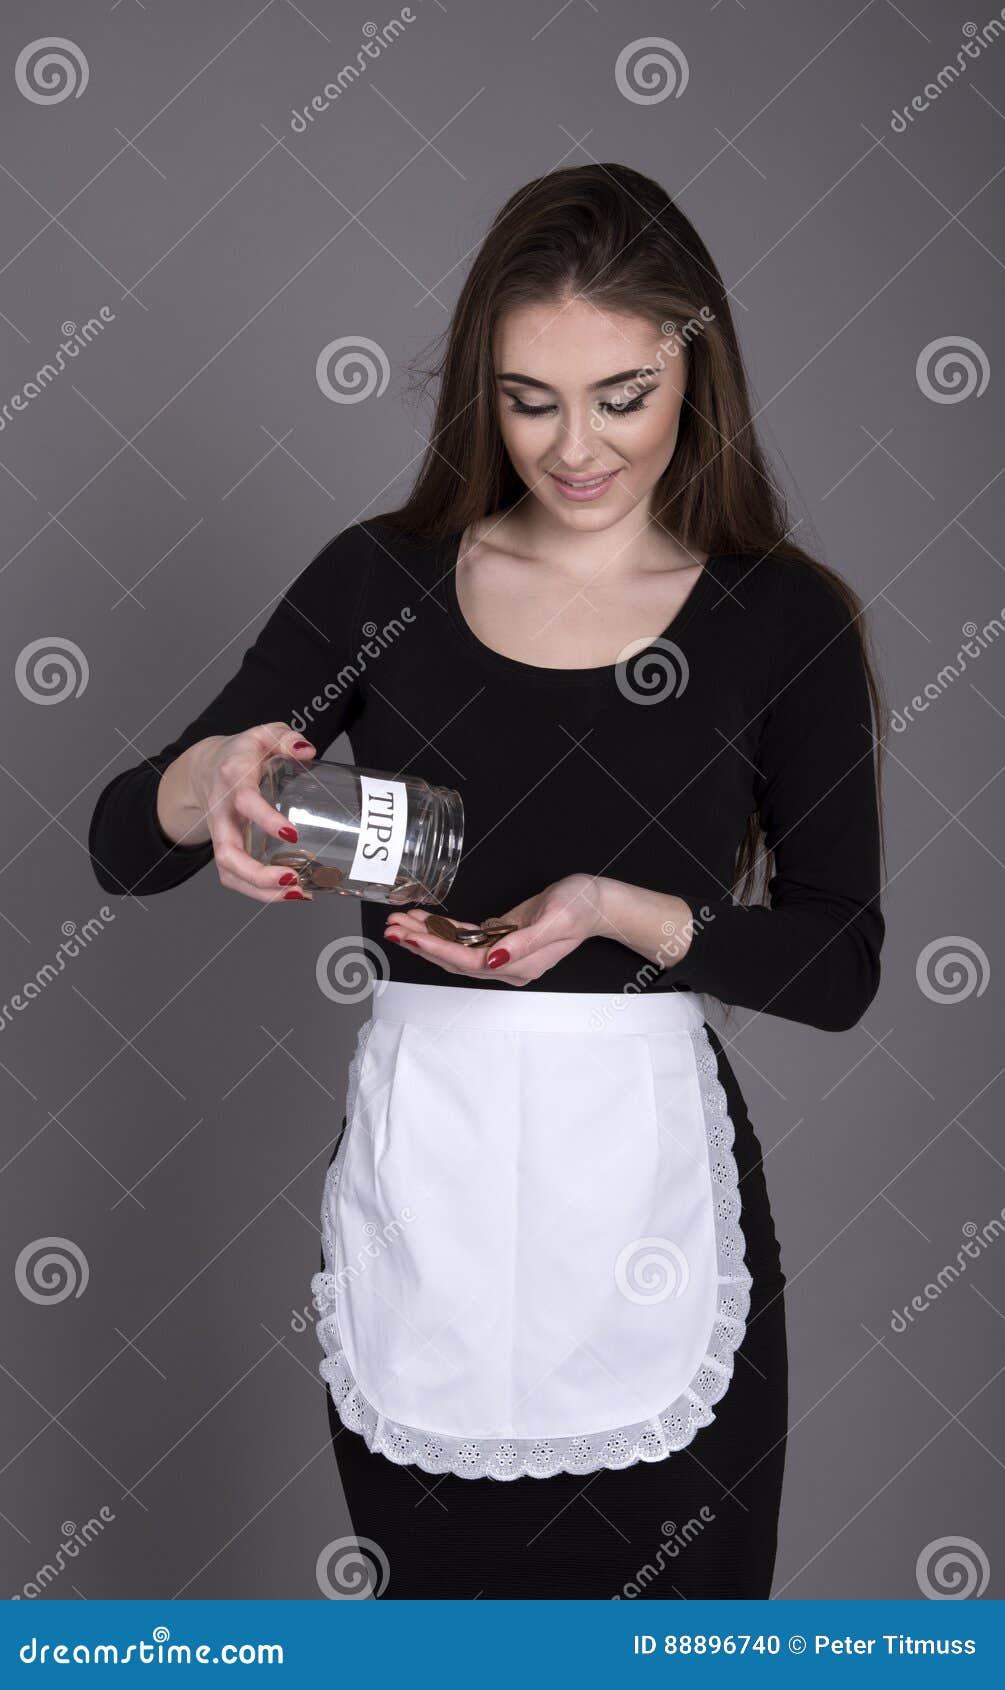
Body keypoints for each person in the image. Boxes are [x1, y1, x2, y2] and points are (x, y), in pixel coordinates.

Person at [88, 162, 885, 1600]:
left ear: (692, 375)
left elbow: (837, 967)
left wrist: (623, 913)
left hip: (655, 1208)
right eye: (529, 401)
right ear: (478, 388)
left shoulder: (778, 619)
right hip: (428, 1203)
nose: (575, 448)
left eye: (620, 398)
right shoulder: (377, 589)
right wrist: (203, 785)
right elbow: (122, 847)